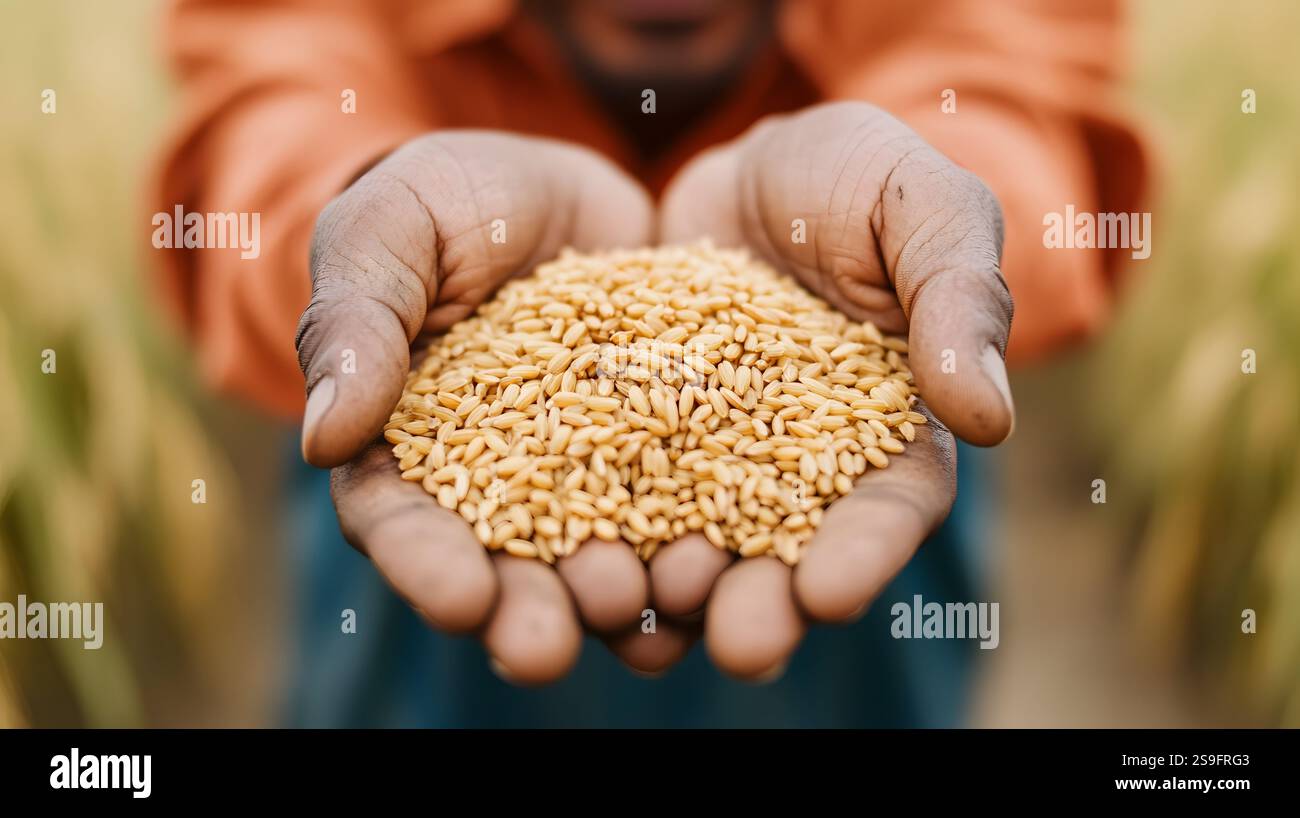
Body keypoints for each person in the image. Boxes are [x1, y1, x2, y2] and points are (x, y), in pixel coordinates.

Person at [152, 0, 1146, 726]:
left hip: (878, 437)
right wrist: (361, 241)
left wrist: (924, 224)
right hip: (411, 399)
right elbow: (266, 89)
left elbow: (1015, 71)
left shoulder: (854, 402)